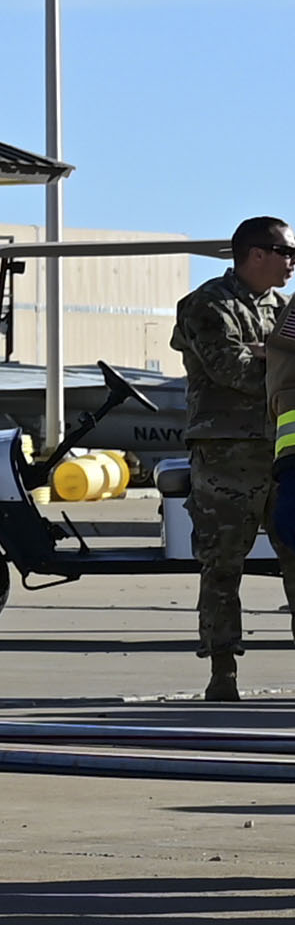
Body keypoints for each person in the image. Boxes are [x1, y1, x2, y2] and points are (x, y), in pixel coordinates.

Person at [171, 215, 292, 701]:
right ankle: (223, 671)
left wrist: (268, 354)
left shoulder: (283, 309)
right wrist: (277, 362)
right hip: (226, 456)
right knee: (222, 565)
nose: (292, 263)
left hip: (282, 454)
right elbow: (232, 369)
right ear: (256, 254)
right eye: (286, 252)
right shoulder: (207, 305)